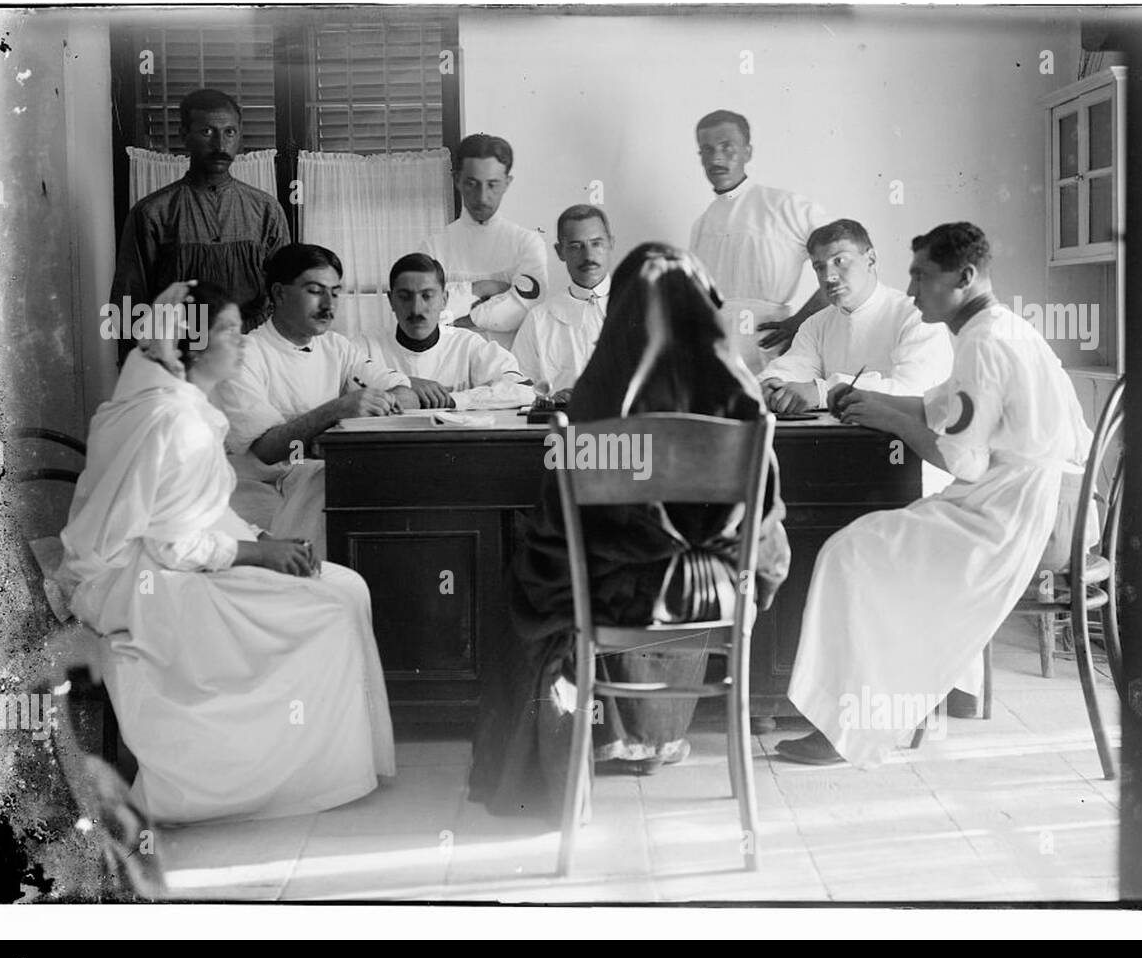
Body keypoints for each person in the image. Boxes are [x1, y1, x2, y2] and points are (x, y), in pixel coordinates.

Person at [469, 243, 791, 822]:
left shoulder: (595, 400)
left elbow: (556, 535)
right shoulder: (745, 402)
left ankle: (568, 755)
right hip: (710, 594)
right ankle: (649, 735)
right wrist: (753, 581)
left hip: (618, 597)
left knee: (523, 582)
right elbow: (767, 529)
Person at [58, 281, 395, 824]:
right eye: (230, 332)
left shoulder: (170, 402)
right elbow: (175, 543)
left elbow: (204, 509)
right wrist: (259, 557)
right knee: (328, 603)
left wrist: (261, 540)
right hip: (137, 581)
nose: (242, 343)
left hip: (161, 559)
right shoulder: (174, 419)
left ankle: (318, 764)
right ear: (191, 344)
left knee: (344, 586)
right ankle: (282, 778)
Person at [775, 223, 1096, 766]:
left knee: (848, 553)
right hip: (1018, 501)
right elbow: (939, 405)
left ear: (965, 277)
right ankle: (862, 713)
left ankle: (851, 727)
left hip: (1004, 517)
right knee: (858, 548)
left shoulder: (984, 343)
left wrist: (882, 416)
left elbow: (959, 459)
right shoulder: (999, 328)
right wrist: (871, 401)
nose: (914, 287)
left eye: (923, 275)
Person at [213, 244, 416, 553]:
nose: (328, 305)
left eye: (335, 293)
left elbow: (406, 394)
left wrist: (381, 400)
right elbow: (267, 449)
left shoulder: (337, 347)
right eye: (315, 291)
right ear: (279, 294)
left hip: (315, 481)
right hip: (256, 491)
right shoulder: (244, 355)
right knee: (290, 574)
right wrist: (340, 409)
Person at [110, 88, 290, 354]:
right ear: (184, 135)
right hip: (180, 362)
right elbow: (128, 307)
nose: (220, 145)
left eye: (229, 132)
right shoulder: (153, 213)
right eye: (207, 132)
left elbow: (284, 296)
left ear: (239, 136)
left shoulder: (266, 211)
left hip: (252, 359)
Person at [758, 219, 953, 415]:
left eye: (839, 261)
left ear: (871, 259)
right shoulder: (817, 324)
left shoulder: (917, 315)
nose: (829, 276)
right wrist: (769, 386)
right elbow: (792, 369)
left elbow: (913, 391)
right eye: (819, 267)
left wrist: (822, 392)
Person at [689, 110, 829, 373]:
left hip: (770, 347)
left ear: (748, 152)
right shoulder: (701, 225)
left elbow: (841, 267)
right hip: (712, 353)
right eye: (707, 150)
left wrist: (801, 321)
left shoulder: (788, 207)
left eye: (727, 147)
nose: (716, 158)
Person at [418, 133, 548, 350]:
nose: (482, 196)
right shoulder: (433, 247)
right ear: (457, 180)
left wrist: (463, 317)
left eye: (493, 185)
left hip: (509, 367)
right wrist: (483, 288)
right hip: (448, 366)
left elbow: (523, 308)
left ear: (507, 183)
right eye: (472, 183)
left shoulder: (526, 243)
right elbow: (424, 310)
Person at [366, 253, 535, 410]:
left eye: (427, 296)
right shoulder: (364, 347)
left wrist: (452, 400)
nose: (416, 309)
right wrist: (404, 383)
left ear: (444, 300)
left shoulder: (468, 345)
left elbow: (524, 389)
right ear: (391, 300)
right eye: (405, 296)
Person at [512, 204, 613, 402]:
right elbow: (517, 389)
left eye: (596, 243)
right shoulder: (539, 319)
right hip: (565, 430)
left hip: (631, 431)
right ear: (560, 251)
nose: (588, 256)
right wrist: (548, 401)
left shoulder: (641, 310)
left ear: (610, 244)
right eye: (576, 246)